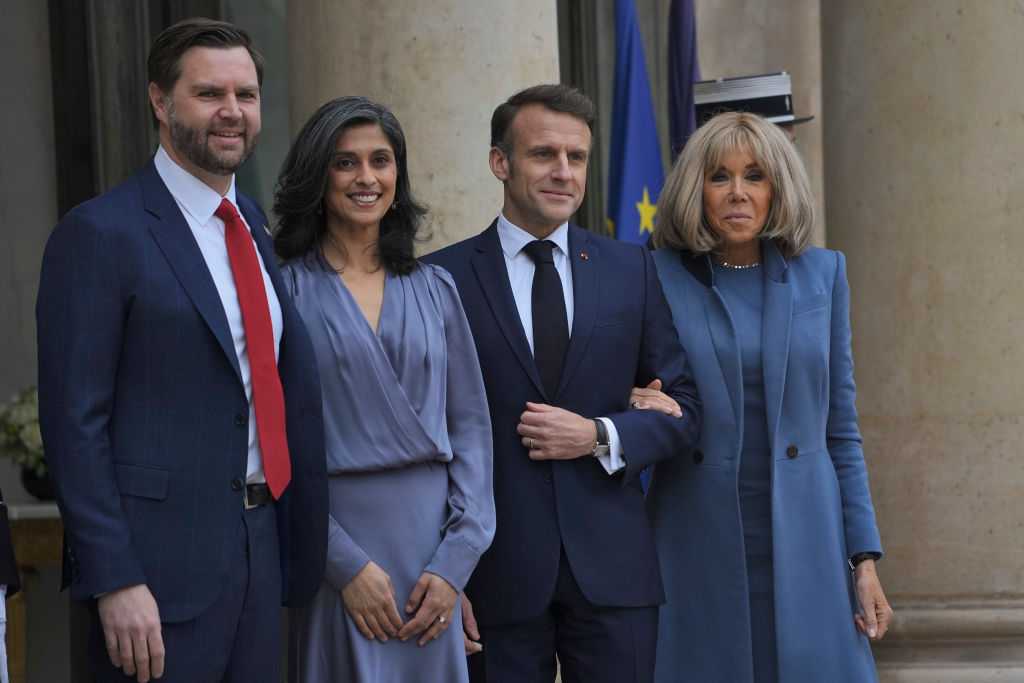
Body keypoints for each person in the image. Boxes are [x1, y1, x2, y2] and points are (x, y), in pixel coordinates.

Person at [36, 18, 327, 682]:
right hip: (153, 577)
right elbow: (74, 426)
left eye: (246, 95)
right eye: (209, 93)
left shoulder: (252, 224)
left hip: (260, 554)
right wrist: (114, 578)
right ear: (160, 102)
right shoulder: (99, 234)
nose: (232, 112)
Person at [424, 84, 701, 683]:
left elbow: (684, 409)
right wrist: (447, 569)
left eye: (576, 158)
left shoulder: (633, 271)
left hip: (614, 573)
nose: (563, 172)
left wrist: (601, 434)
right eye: (543, 154)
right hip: (492, 576)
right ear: (501, 162)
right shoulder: (438, 279)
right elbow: (426, 436)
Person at [643, 111, 892, 682]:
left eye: (754, 176)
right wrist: (632, 402)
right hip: (692, 536)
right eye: (719, 177)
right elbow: (630, 388)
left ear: (777, 186)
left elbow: (841, 432)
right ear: (694, 189)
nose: (737, 193)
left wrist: (864, 559)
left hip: (808, 537)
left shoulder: (823, 275)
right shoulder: (652, 276)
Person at [275, 96, 495, 682]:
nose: (366, 178)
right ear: (317, 175)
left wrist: (454, 565)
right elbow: (271, 444)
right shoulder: (282, 294)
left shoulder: (437, 289)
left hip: (432, 565)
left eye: (381, 160)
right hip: (334, 553)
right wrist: (341, 565)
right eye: (346, 163)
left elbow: (472, 430)